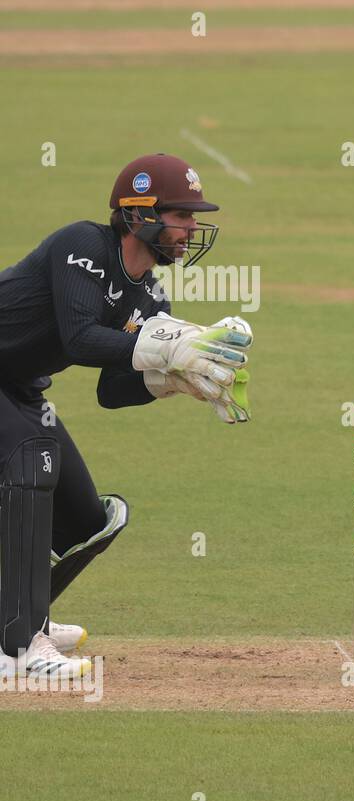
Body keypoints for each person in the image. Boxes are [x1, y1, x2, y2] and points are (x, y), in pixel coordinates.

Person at [0, 153, 252, 679]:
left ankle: (23, 617)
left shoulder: (148, 295)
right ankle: (19, 645)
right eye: (181, 216)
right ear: (138, 215)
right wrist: (160, 352)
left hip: (19, 389)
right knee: (33, 457)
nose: (190, 228)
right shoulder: (82, 246)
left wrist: (172, 380)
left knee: (93, 521)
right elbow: (80, 337)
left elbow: (112, 391)